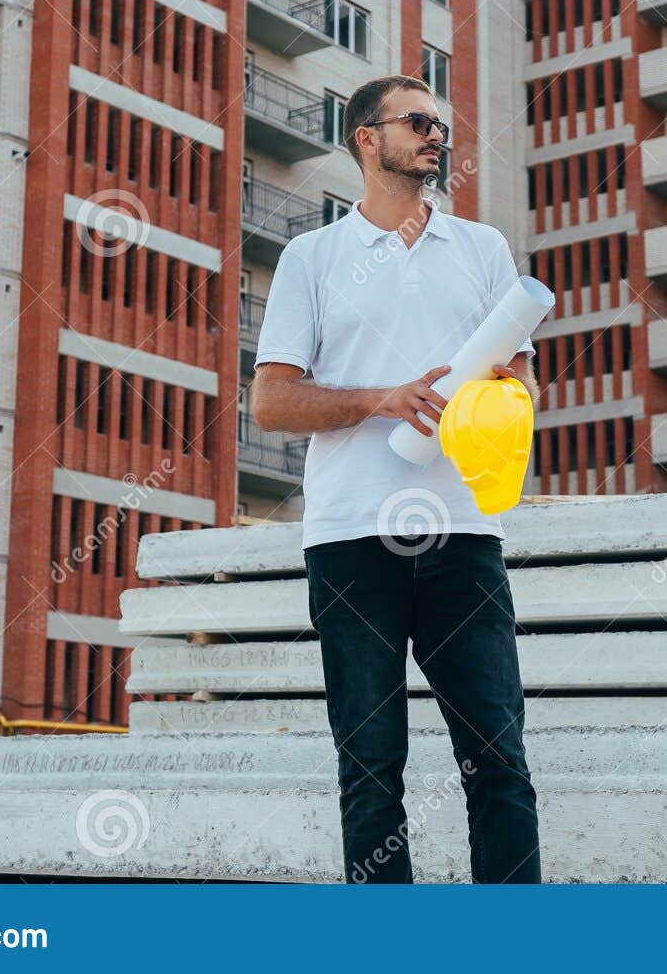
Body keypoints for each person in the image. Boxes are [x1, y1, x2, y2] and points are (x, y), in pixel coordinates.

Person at [249, 74, 542, 884]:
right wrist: (382, 398)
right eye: (418, 121)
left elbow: (520, 382)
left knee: (499, 758)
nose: (436, 135)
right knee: (371, 767)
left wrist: (500, 399)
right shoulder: (312, 258)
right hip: (351, 539)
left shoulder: (482, 249)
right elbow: (270, 401)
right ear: (366, 140)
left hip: (463, 533)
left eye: (441, 124)